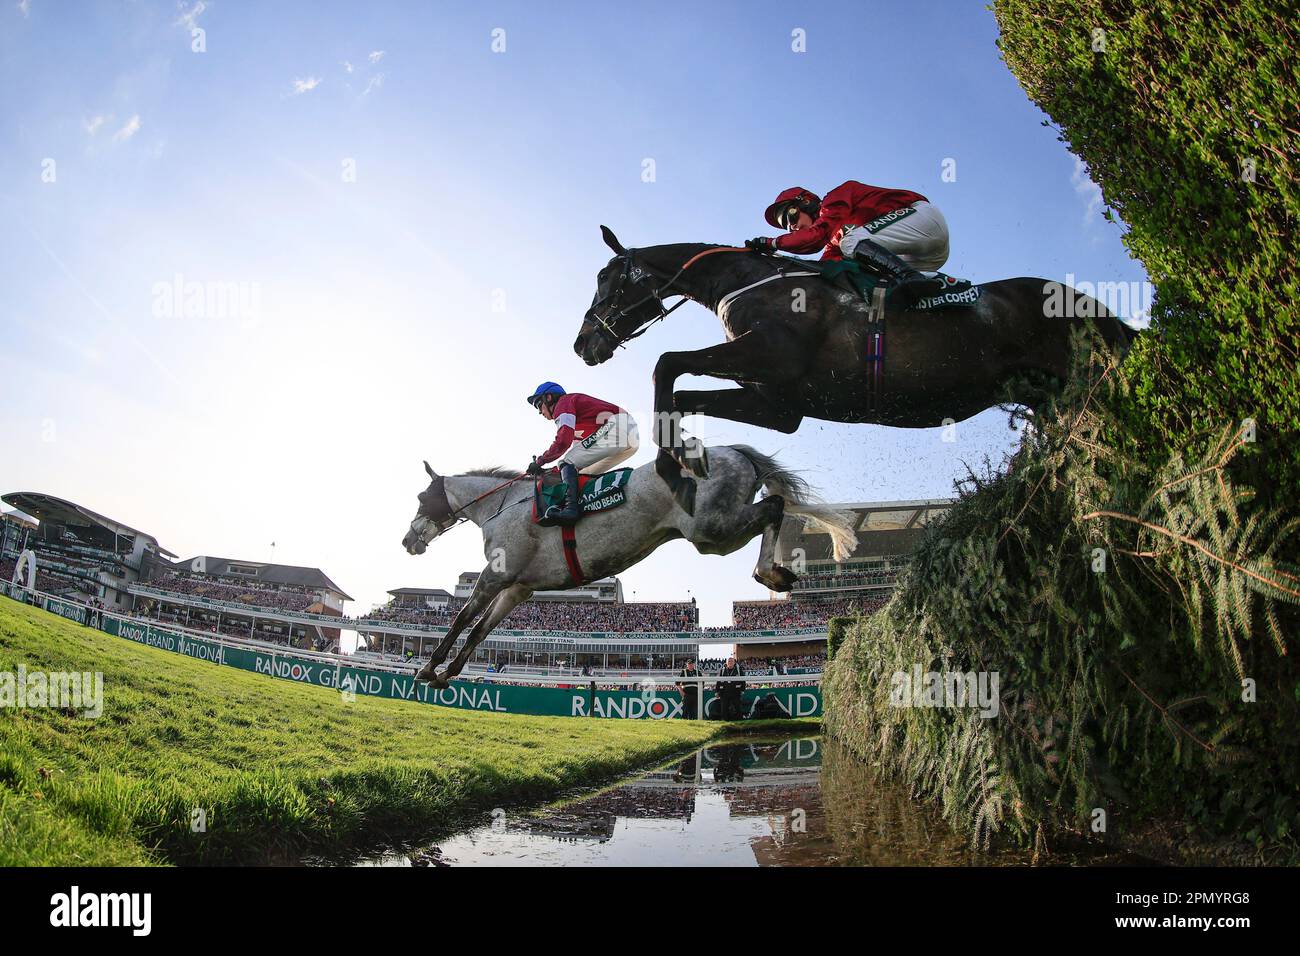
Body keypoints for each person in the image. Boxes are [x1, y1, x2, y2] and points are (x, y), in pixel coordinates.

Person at [744, 182, 950, 304]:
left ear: (805, 202)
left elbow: (814, 238)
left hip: (923, 218)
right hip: (929, 257)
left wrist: (771, 243)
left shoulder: (836, 197)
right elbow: (823, 269)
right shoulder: (833, 240)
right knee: (864, 274)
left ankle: (910, 277)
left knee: (851, 241)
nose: (792, 227)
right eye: (785, 227)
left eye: (790, 217)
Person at [524, 382, 640, 525]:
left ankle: (571, 509)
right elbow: (576, 454)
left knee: (567, 462)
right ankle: (589, 506)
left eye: (538, 404)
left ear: (549, 398)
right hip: (629, 438)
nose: (540, 412)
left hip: (619, 425)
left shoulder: (563, 403)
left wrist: (541, 460)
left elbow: (562, 441)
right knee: (576, 470)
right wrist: (546, 471)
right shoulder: (577, 423)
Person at [715, 655, 746, 721]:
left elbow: (743, 680)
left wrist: (742, 689)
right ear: (726, 663)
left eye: (732, 661)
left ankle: (740, 721)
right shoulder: (723, 670)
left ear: (734, 662)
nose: (730, 662)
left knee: (738, 707)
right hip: (725, 692)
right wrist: (717, 691)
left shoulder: (738, 669)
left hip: (736, 692)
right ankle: (724, 721)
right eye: (729, 661)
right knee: (724, 708)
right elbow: (718, 681)